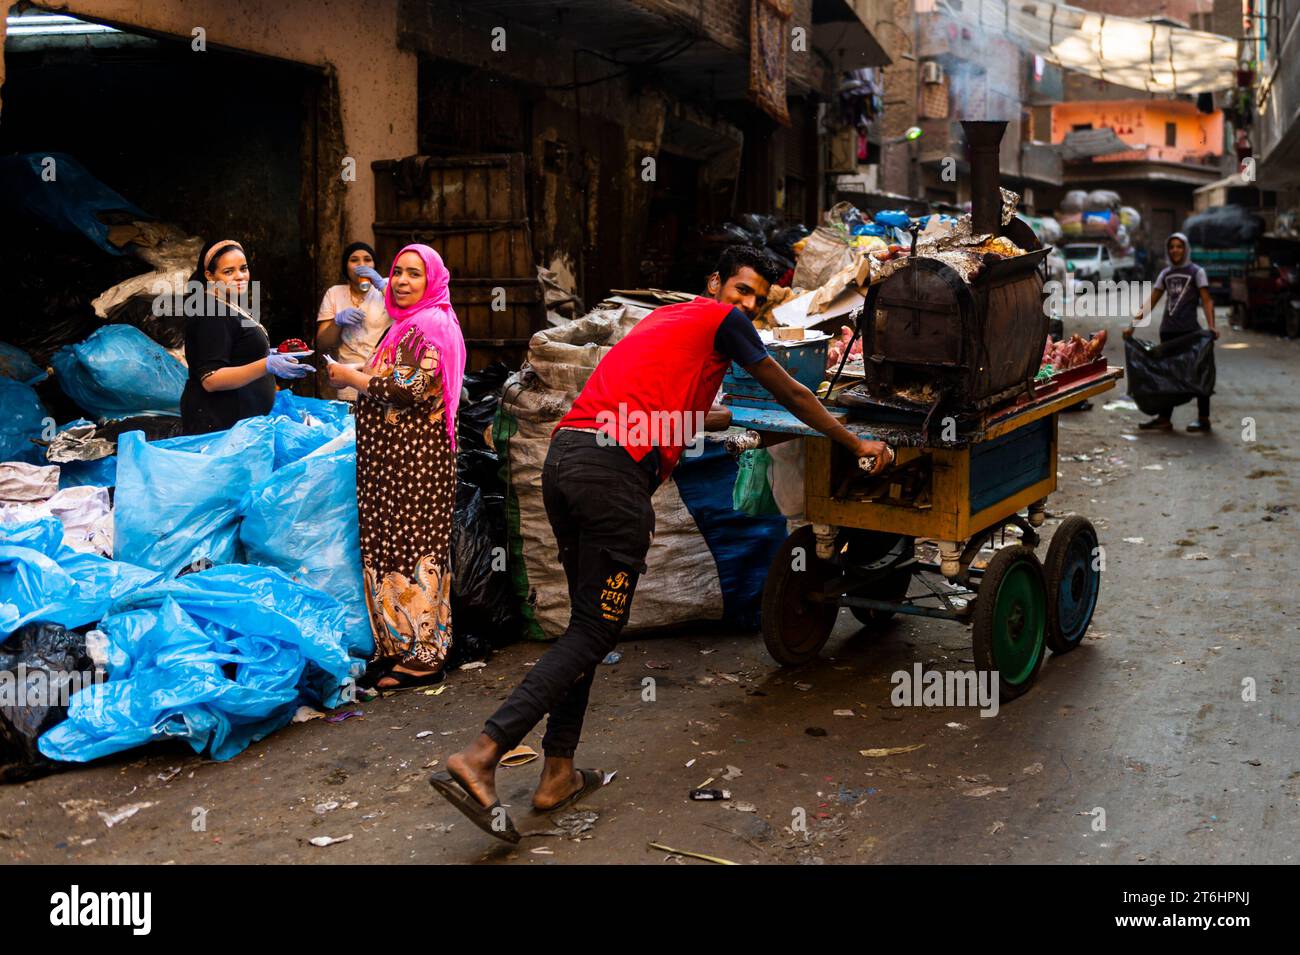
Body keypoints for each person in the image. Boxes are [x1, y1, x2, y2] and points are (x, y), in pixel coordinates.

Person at [431, 245, 893, 843]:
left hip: (568, 459)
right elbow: (793, 392)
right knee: (596, 630)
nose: (746, 304)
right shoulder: (725, 323)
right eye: (740, 290)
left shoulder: (666, 322)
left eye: (756, 297)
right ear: (716, 284)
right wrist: (853, 441)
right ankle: (483, 753)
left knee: (585, 626)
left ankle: (558, 772)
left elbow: (677, 416)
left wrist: (738, 426)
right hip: (613, 480)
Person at [326, 244, 466, 690]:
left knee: (413, 551)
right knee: (388, 549)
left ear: (432, 283)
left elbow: (407, 390)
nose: (403, 282)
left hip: (417, 465)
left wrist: (349, 376)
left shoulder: (431, 326)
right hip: (389, 464)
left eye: (414, 275)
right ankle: (398, 648)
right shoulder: (403, 326)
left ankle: (426, 655)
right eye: (398, 272)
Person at [180, 239, 311, 436]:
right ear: (209, 275)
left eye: (243, 268)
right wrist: (267, 364)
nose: (240, 276)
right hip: (218, 425)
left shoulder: (228, 304)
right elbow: (211, 379)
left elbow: (237, 351)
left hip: (239, 424)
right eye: (228, 271)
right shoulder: (211, 313)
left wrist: (273, 354)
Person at [1125, 232, 1218, 433]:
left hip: (1191, 333)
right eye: (1172, 247)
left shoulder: (1197, 272)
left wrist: (1212, 327)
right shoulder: (1165, 274)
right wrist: (1132, 326)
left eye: (1179, 246)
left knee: (1200, 372)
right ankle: (1164, 419)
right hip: (1168, 333)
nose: (1175, 250)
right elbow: (1151, 301)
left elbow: (1207, 300)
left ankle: (1203, 418)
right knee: (1167, 375)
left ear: (1186, 249)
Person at [315, 242, 392, 400]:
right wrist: (337, 322)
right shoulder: (335, 293)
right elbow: (322, 343)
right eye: (354, 260)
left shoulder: (387, 287)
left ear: (374, 265)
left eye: (367, 259)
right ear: (345, 267)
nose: (362, 265)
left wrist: (381, 285)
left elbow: (409, 311)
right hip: (348, 379)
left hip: (383, 376)